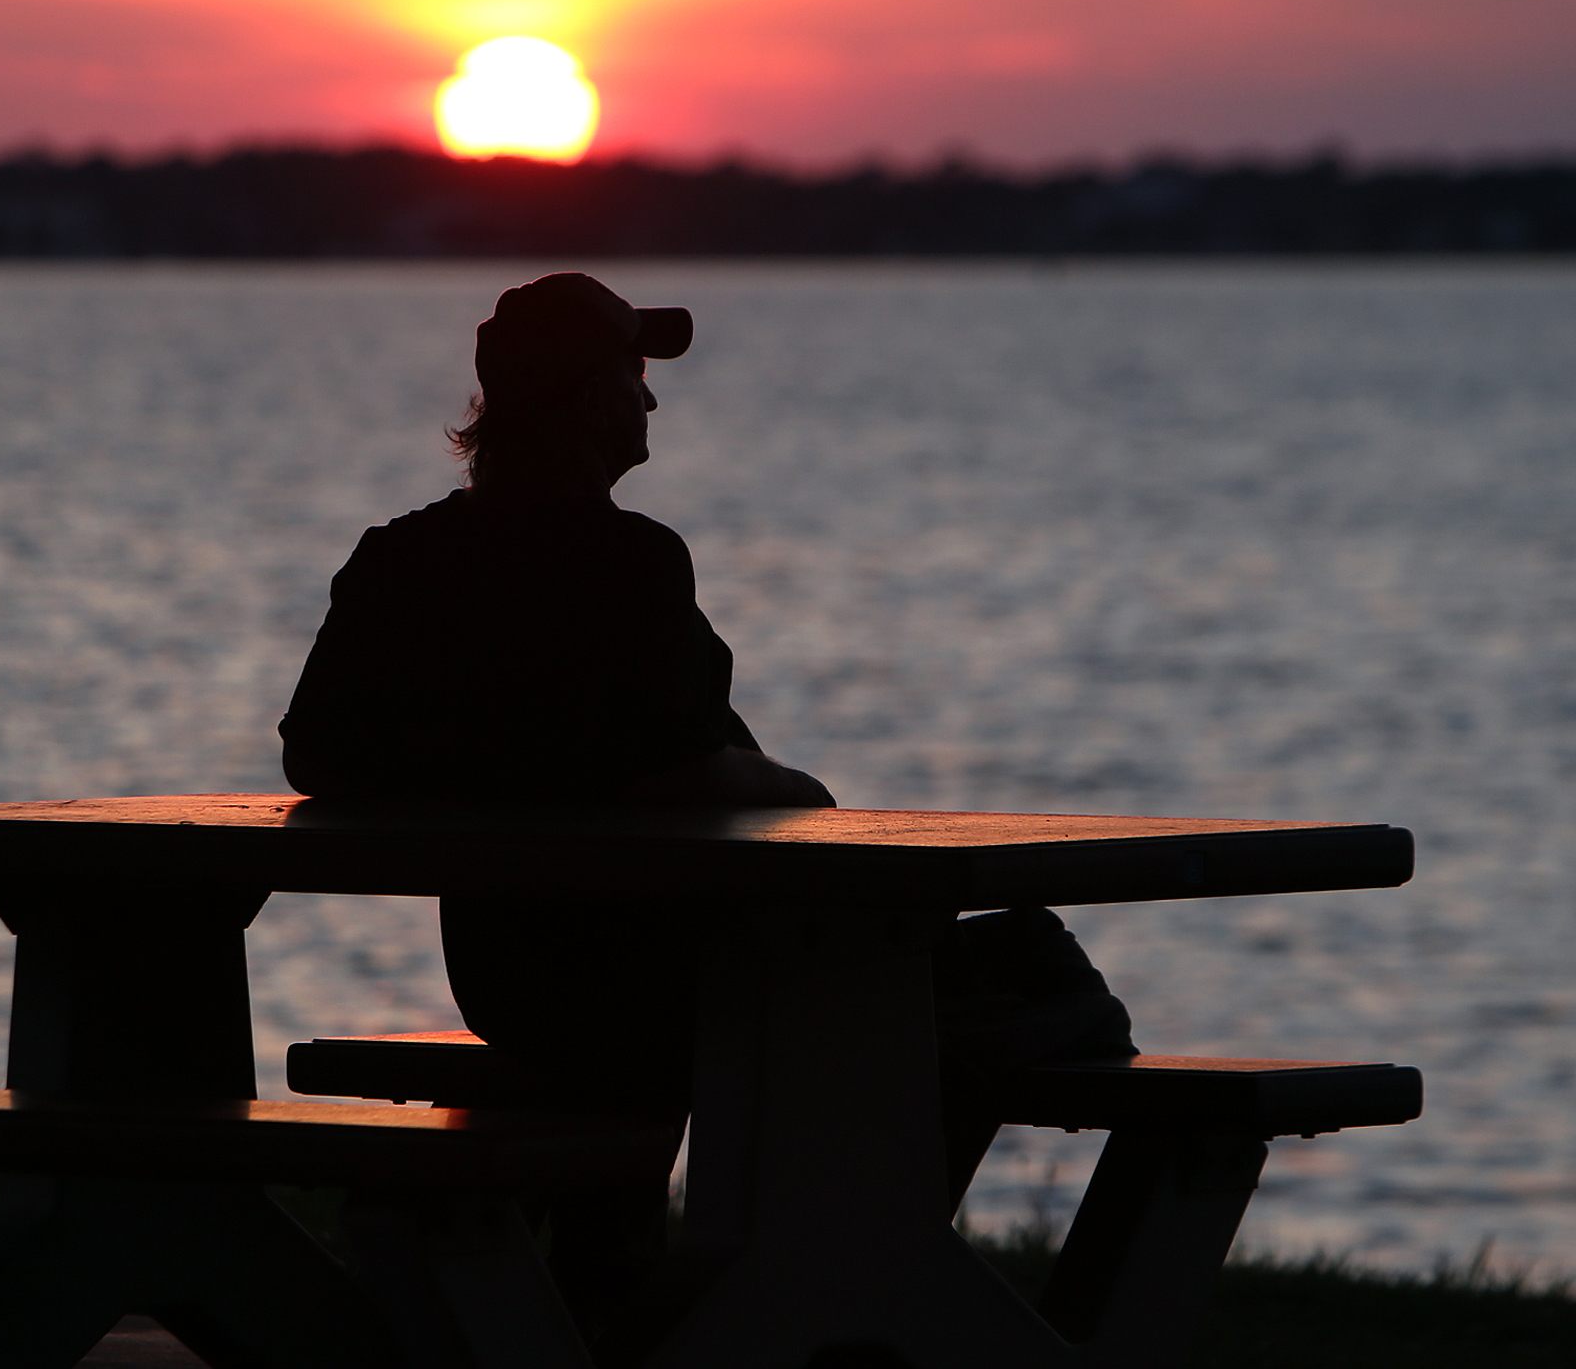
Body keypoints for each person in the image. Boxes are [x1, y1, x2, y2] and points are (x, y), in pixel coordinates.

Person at [279, 272, 1133, 1330]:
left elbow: (310, 752)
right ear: (589, 402)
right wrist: (801, 793)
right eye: (633, 380)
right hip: (671, 978)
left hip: (510, 979)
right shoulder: (629, 560)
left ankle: (707, 1286)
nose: (651, 403)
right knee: (1031, 968)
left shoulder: (397, 560)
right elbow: (681, 770)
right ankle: (835, 1268)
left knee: (923, 992)